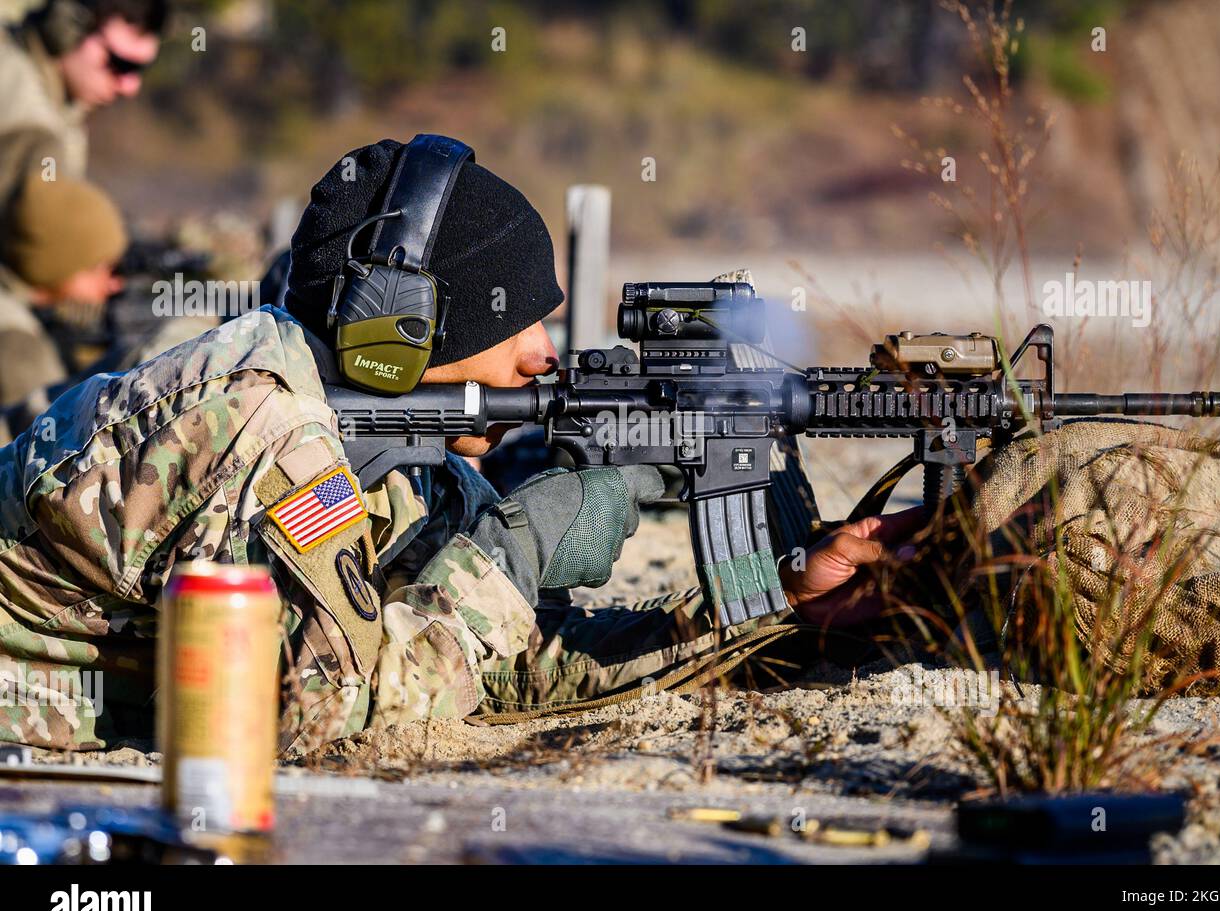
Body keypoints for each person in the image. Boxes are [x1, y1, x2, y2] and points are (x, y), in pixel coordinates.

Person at [0, 135, 920, 754]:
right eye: (515, 321)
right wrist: (514, 551)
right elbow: (324, 721)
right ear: (398, 327)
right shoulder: (264, 426)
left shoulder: (395, 433)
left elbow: (476, 663)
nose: (543, 355)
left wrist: (770, 605)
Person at [0, 0, 169, 211]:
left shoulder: (62, 102)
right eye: (120, 64)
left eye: (141, 69)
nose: (130, 87)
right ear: (67, 29)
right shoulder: (32, 127)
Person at [0, 171, 124, 409]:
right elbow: (55, 436)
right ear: (55, 264)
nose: (113, 283)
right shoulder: (17, 345)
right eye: (101, 268)